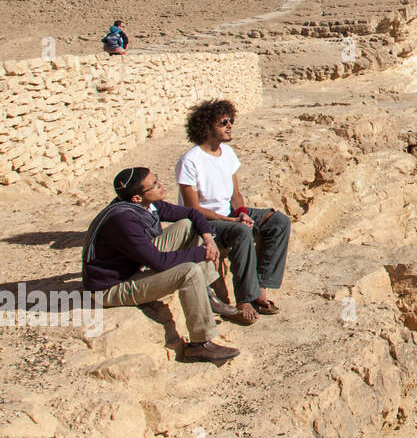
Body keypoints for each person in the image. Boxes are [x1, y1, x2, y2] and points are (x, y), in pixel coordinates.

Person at [82, 167, 239, 362]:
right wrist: (202, 253)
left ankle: (206, 294)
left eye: (156, 179)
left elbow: (192, 214)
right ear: (137, 198)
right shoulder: (123, 220)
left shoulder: (148, 205)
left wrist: (208, 239)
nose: (161, 185)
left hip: (135, 265)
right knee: (189, 272)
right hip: (111, 288)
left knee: (186, 225)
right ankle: (200, 344)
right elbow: (159, 261)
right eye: (154, 185)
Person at [177, 99, 290, 325]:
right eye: (223, 122)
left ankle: (261, 287)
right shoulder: (190, 161)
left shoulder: (227, 153)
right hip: (203, 220)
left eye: (231, 121)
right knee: (240, 232)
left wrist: (241, 212)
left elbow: (235, 193)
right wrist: (231, 219)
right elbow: (193, 209)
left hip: (228, 212)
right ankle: (244, 300)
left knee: (278, 221)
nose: (230, 126)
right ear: (206, 127)